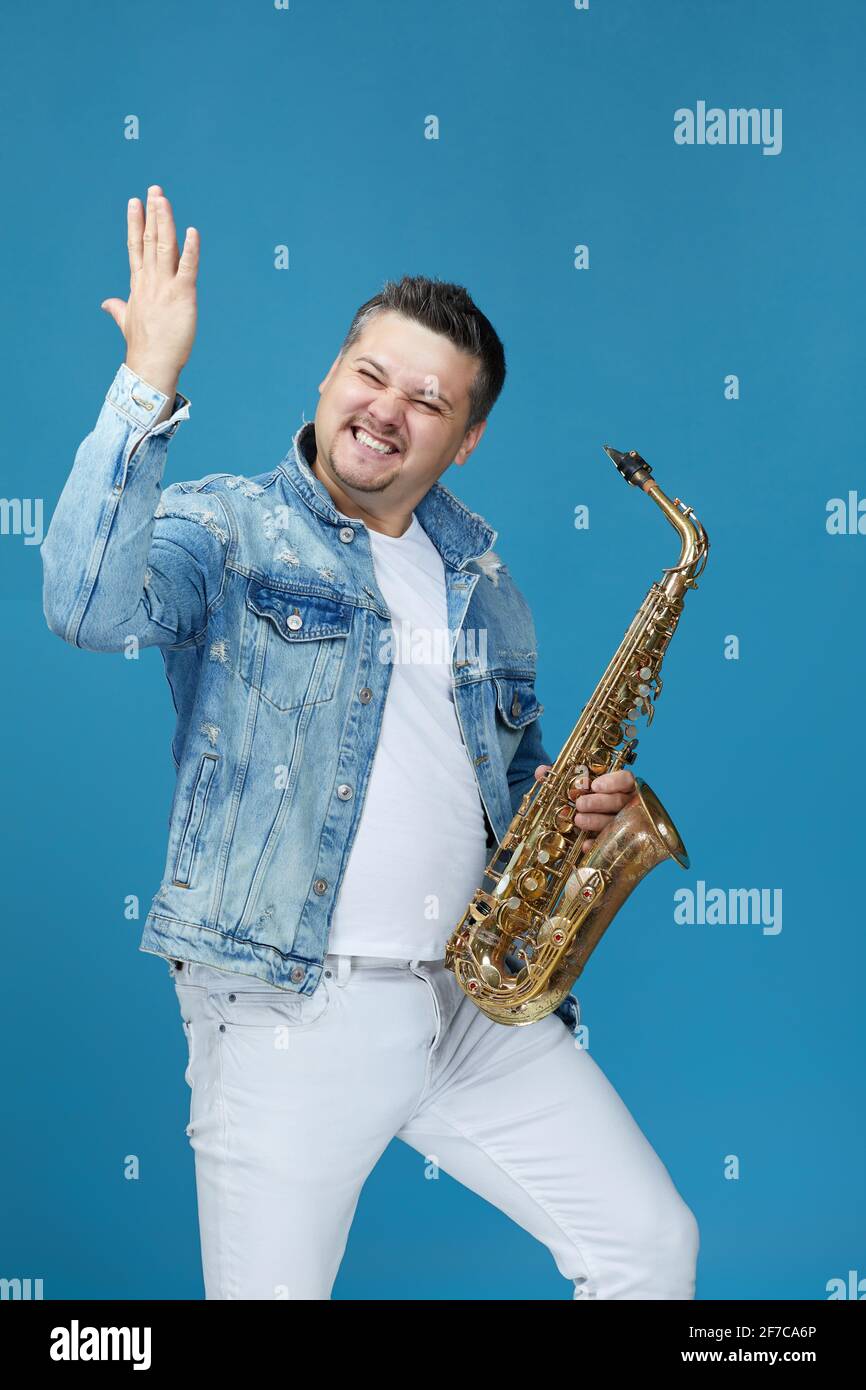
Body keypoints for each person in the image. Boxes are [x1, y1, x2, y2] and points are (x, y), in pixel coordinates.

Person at [41, 183, 700, 1300]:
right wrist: (145, 382)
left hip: (473, 998)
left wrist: (570, 800)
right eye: (370, 374)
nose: (387, 409)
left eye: (428, 400)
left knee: (647, 1246)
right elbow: (84, 608)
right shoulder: (226, 525)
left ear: (467, 438)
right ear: (329, 376)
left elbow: (505, 776)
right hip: (292, 1011)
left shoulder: (483, 585)